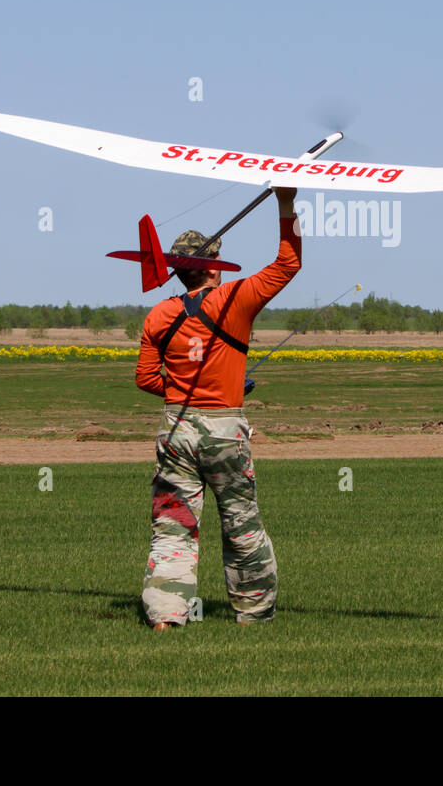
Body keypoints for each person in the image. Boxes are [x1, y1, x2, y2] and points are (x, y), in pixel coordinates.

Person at [135, 187, 301, 629]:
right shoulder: (235, 299)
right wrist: (286, 204)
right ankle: (253, 613)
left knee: (173, 527)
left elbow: (146, 379)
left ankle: (166, 616)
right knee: (241, 524)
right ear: (213, 267)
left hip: (175, 430)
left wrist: (185, 386)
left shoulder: (158, 316)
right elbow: (289, 264)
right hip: (224, 430)